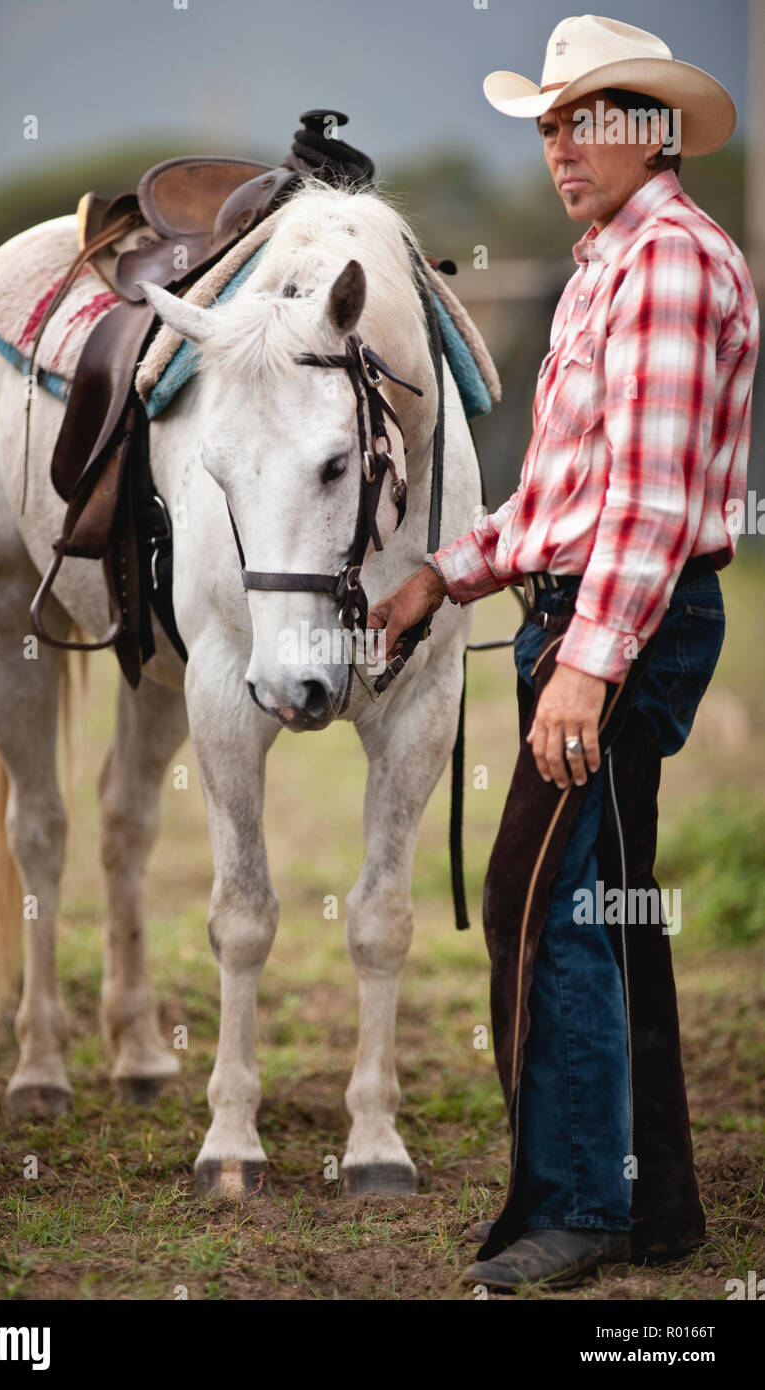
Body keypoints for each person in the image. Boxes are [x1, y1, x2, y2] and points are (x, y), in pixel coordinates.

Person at [367, 14, 759, 1291]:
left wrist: (586, 662)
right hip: (590, 604)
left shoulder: (669, 265)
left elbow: (643, 505)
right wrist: (441, 573)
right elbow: (558, 493)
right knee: (609, 905)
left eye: (579, 118)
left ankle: (577, 1206)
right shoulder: (606, 260)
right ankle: (652, 1206)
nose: (555, 145)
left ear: (647, 129)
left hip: (618, 623)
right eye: (544, 123)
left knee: (532, 907)